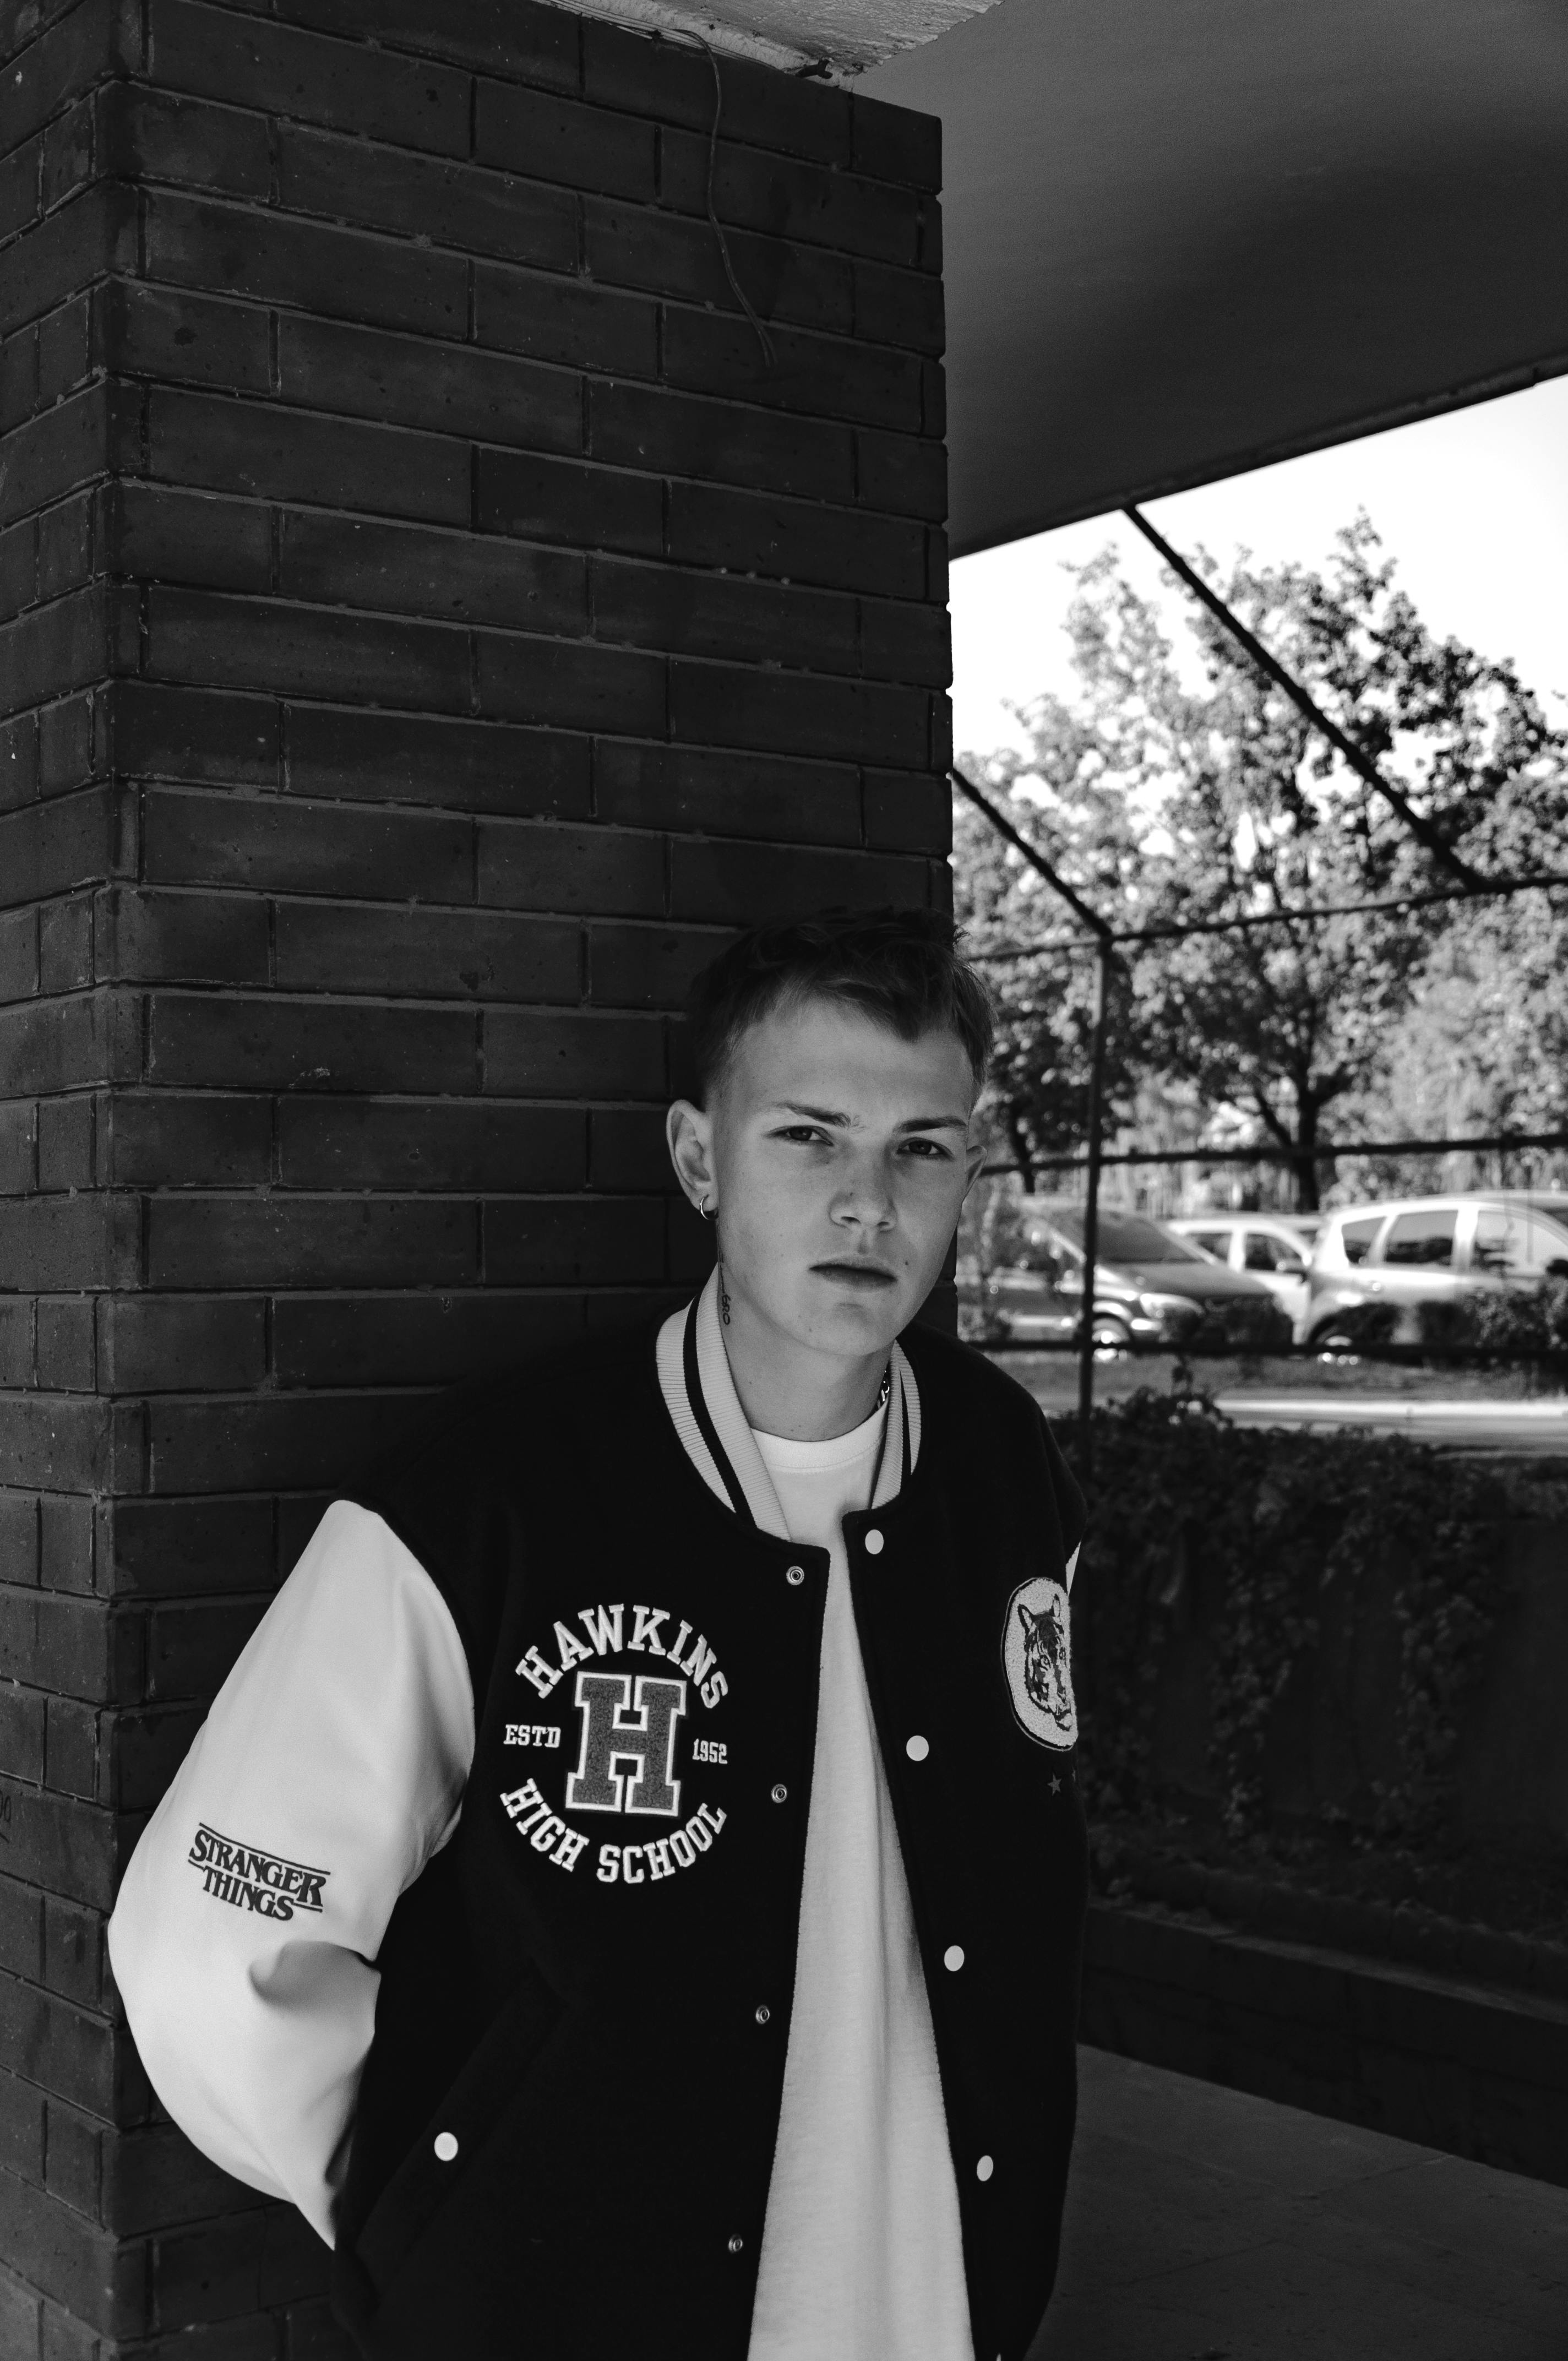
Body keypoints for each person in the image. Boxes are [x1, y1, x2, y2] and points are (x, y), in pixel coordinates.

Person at [108, 908, 1087, 2361]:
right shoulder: (493, 1496)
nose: (869, 1202)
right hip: (566, 2305)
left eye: (922, 1148)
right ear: (700, 1156)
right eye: (809, 1138)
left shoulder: (1006, 1467)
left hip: (936, 2298)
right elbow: (212, 1946)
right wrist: (428, 2194)